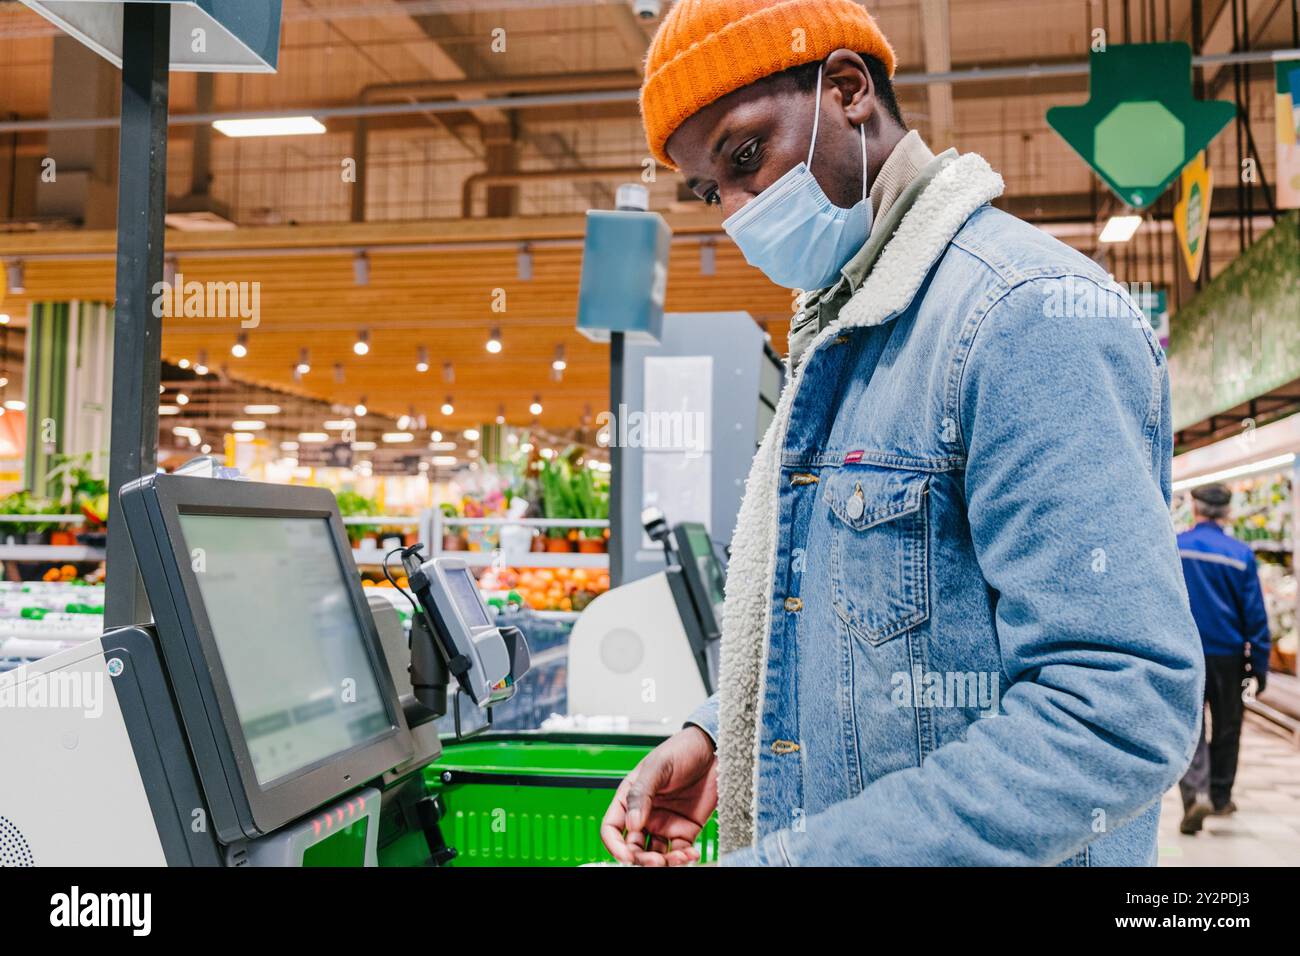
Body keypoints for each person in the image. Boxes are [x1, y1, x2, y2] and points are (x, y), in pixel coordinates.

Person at [600, 0, 1203, 867]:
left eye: (744, 155)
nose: (735, 210)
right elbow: (857, 627)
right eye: (710, 190)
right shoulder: (843, 338)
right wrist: (722, 734)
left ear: (848, 89)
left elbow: (1115, 711)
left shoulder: (1023, 316)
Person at [1176, 483, 1270, 834]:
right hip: (1229, 656)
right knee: (1228, 725)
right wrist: (1259, 664)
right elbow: (1256, 616)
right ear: (1227, 512)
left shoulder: (1175, 548)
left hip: (1185, 653)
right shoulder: (1240, 554)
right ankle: (1219, 796)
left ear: (1195, 510)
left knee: (1190, 725)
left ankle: (1194, 793)